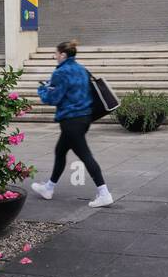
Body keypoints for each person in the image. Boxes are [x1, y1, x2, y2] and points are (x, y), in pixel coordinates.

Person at [31, 39, 113, 208]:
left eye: (55, 54)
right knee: (60, 151)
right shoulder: (82, 69)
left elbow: (53, 98)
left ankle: (104, 192)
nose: (54, 57)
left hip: (71, 120)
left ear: (63, 54)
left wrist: (42, 90)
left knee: (85, 155)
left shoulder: (61, 72)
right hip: (84, 118)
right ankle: (49, 188)